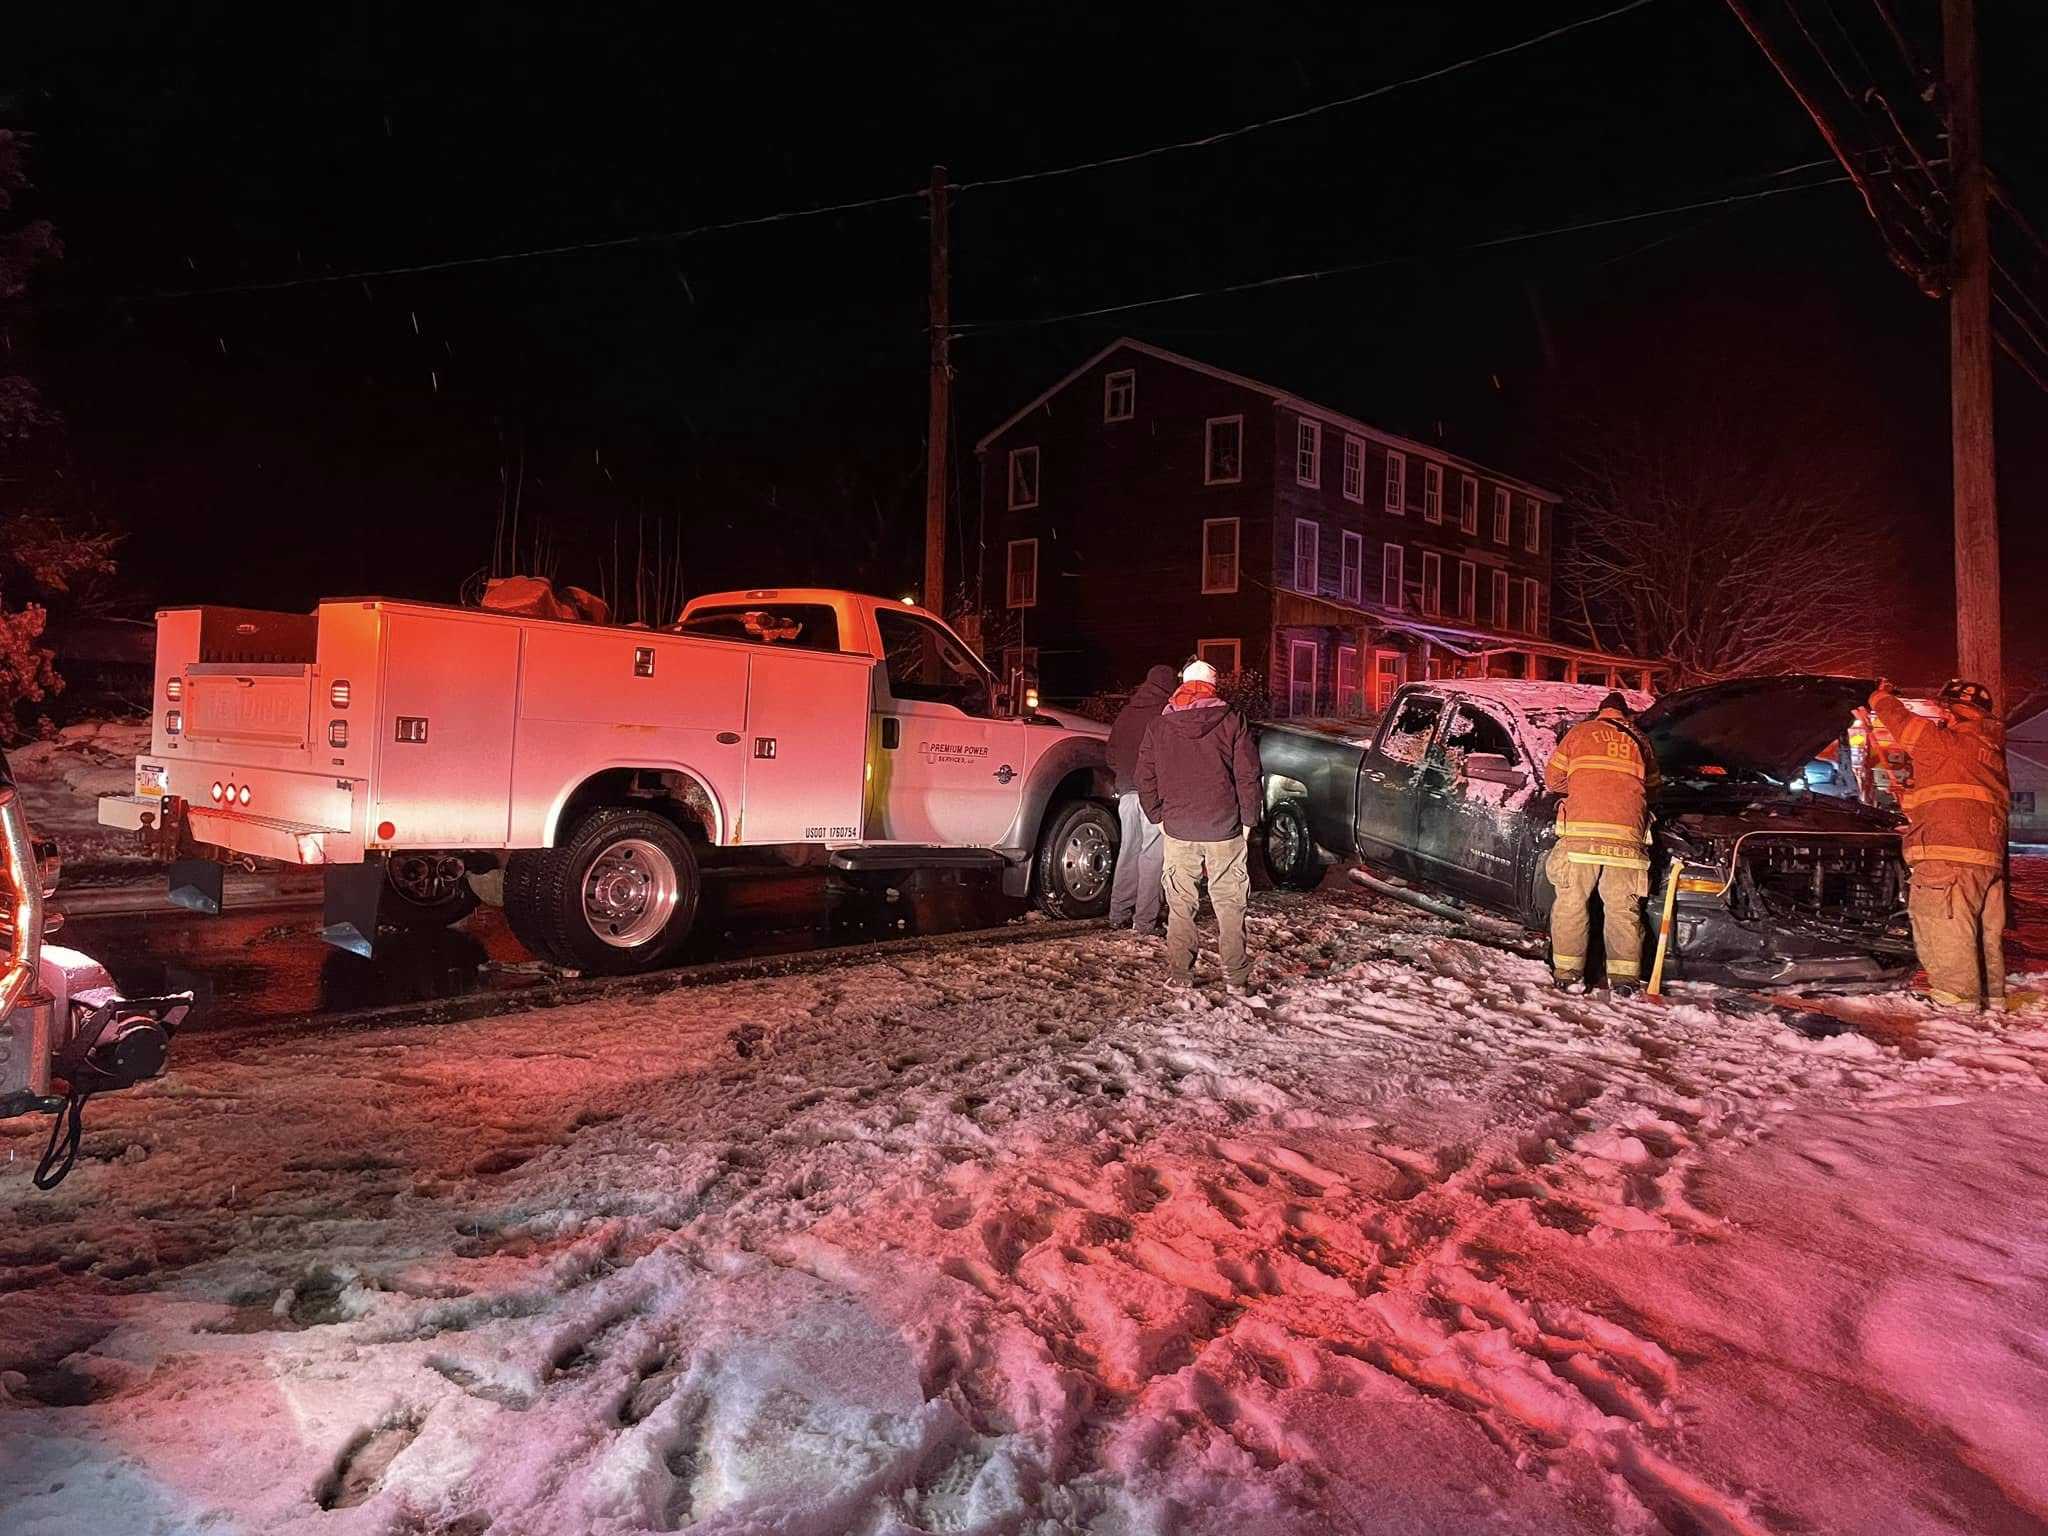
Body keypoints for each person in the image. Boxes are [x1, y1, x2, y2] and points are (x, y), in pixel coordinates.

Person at [1868, 677, 2011, 1010]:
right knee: (1982, 934)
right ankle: (1992, 997)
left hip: (1948, 857)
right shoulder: (1990, 754)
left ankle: (1954, 1001)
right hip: (1985, 859)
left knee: (1942, 925)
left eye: (1942, 709)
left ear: (1950, 712)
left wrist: (1878, 696)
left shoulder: (1944, 744)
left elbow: (1901, 722)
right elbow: (1958, 798)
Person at [1136, 658, 1263, 994]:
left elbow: (1144, 777)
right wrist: (1248, 819)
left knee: (1181, 903)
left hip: (1179, 827)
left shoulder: (1159, 726)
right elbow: (1248, 775)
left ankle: (1181, 974)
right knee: (1230, 902)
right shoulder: (1233, 720)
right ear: (1212, 687)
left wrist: (1157, 817)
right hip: (1224, 826)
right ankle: (1236, 978)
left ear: (1182, 685)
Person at [1543, 691, 1659, 996]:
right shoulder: (1641, 741)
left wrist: (1584, 783)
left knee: (1571, 903)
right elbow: (1653, 787)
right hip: (1627, 841)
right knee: (1623, 909)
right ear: (1626, 715)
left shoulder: (1580, 733)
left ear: (1599, 712)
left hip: (1582, 838)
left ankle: (1568, 975)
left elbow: (1553, 781)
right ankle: (1625, 981)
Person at [1106, 665, 1177, 934]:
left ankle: (1118, 912)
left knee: (1128, 851)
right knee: (1152, 856)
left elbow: (1110, 754)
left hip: (1126, 793)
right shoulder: (1165, 714)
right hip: (1153, 795)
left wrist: (1124, 775)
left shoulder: (1126, 713)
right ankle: (1145, 920)